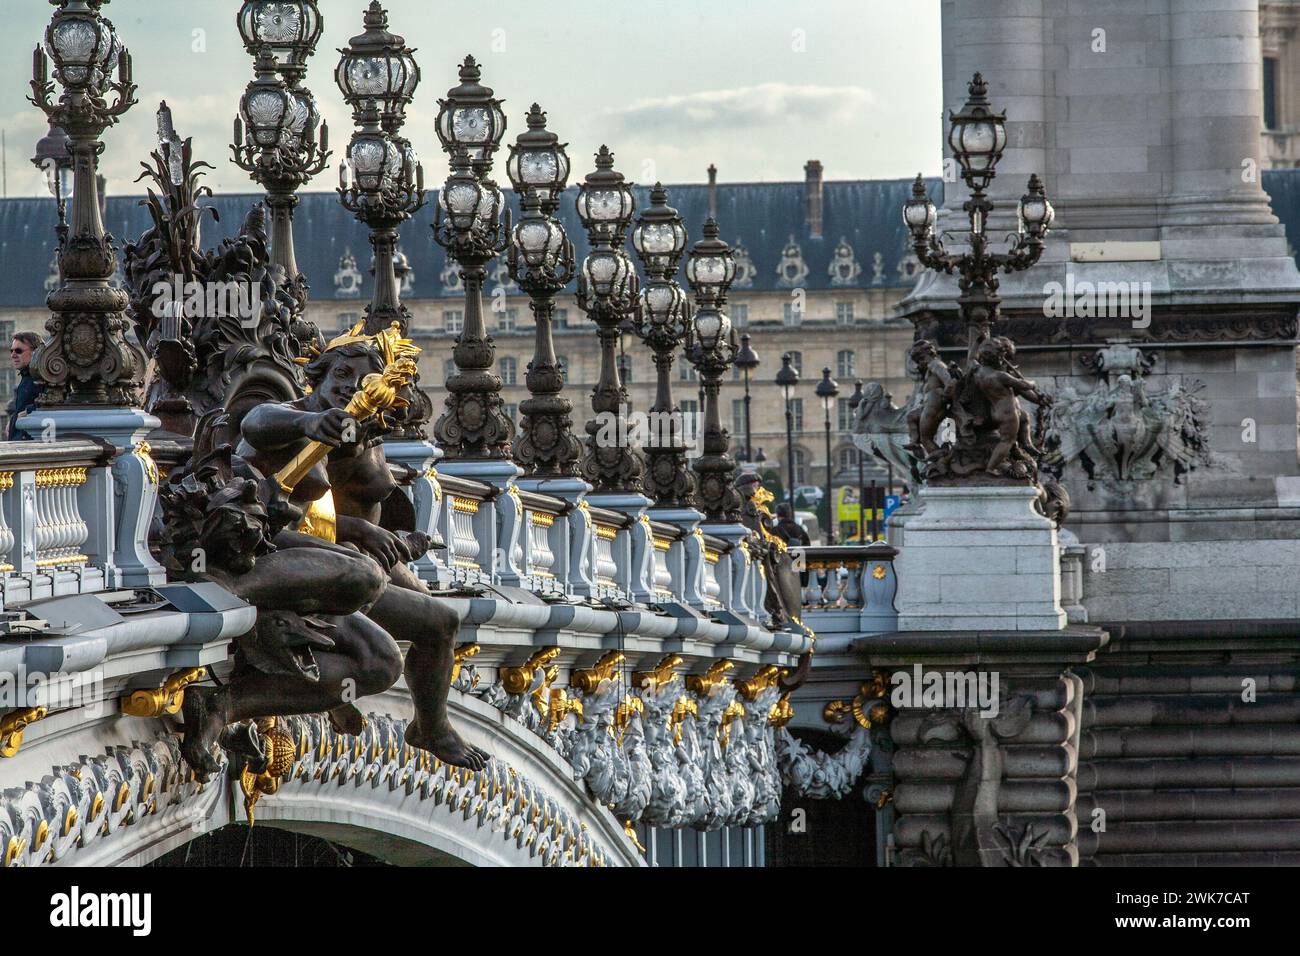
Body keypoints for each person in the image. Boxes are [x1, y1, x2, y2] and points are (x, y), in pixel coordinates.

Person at [7, 332, 43, 440]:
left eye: (18, 351)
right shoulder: (27, 377)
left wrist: (29, 411)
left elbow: (58, 402)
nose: (13, 355)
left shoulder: (42, 378)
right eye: (11, 351)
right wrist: (13, 420)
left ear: (35, 352)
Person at [774, 503, 812, 587]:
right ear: (790, 514)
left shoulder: (774, 531)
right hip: (798, 568)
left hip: (782, 570)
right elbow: (807, 549)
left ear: (778, 515)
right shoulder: (800, 530)